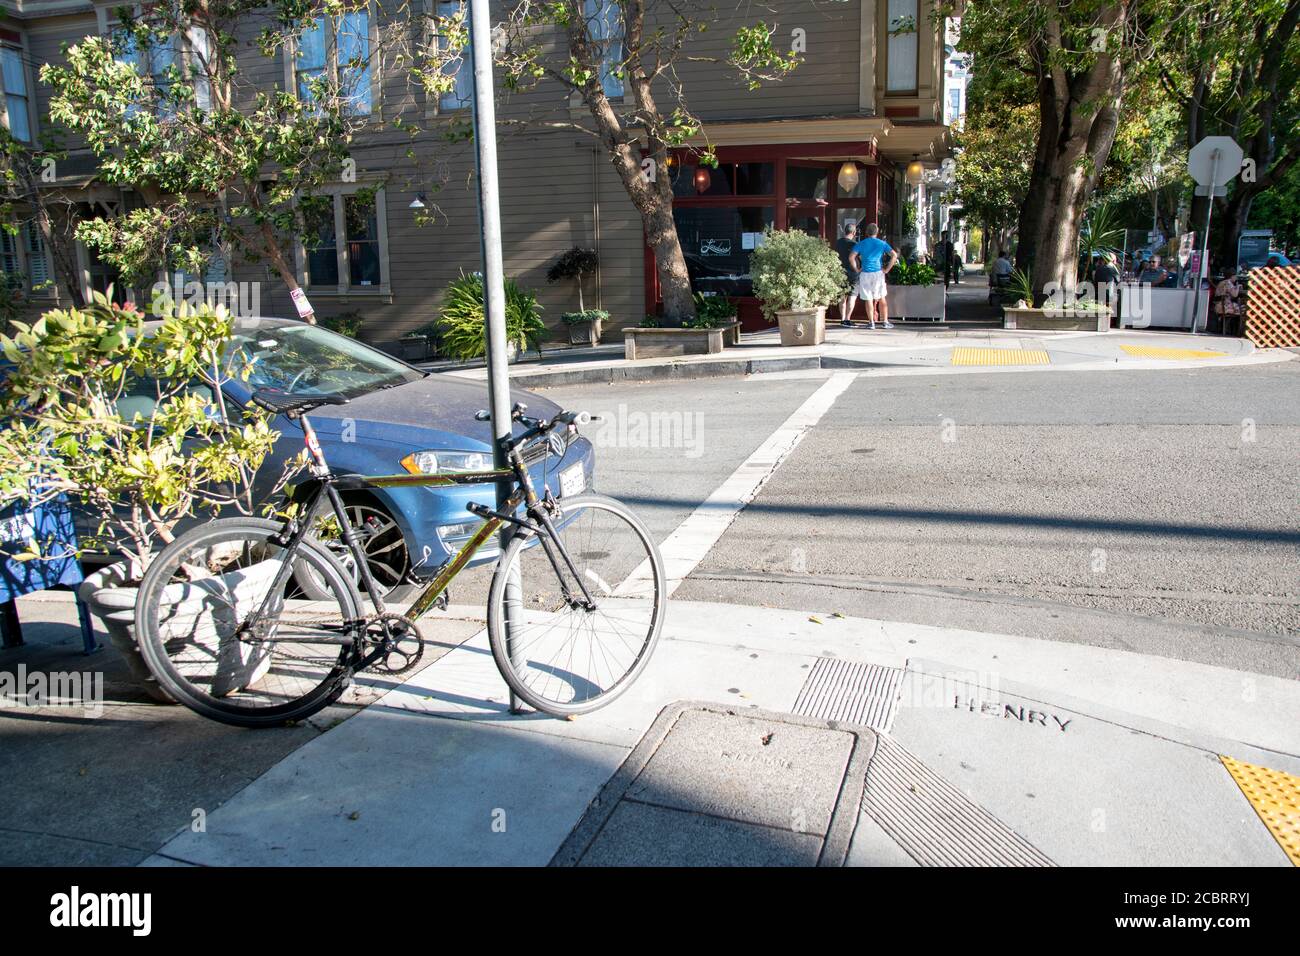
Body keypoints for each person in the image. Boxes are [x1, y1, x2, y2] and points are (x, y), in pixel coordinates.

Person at [847, 222, 898, 329]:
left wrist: (857, 269)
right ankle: (885, 321)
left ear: (866, 232)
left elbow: (851, 257)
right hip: (878, 273)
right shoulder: (882, 244)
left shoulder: (861, 243)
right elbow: (894, 255)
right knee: (881, 297)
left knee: (868, 298)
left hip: (865, 273)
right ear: (877, 232)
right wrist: (887, 269)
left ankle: (871, 323)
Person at [834, 220, 861, 327]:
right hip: (853, 273)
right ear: (854, 233)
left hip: (840, 272)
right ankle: (848, 319)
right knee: (852, 296)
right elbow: (860, 258)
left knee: (842, 296)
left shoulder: (838, 243)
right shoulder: (855, 245)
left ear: (845, 231)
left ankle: (842, 318)